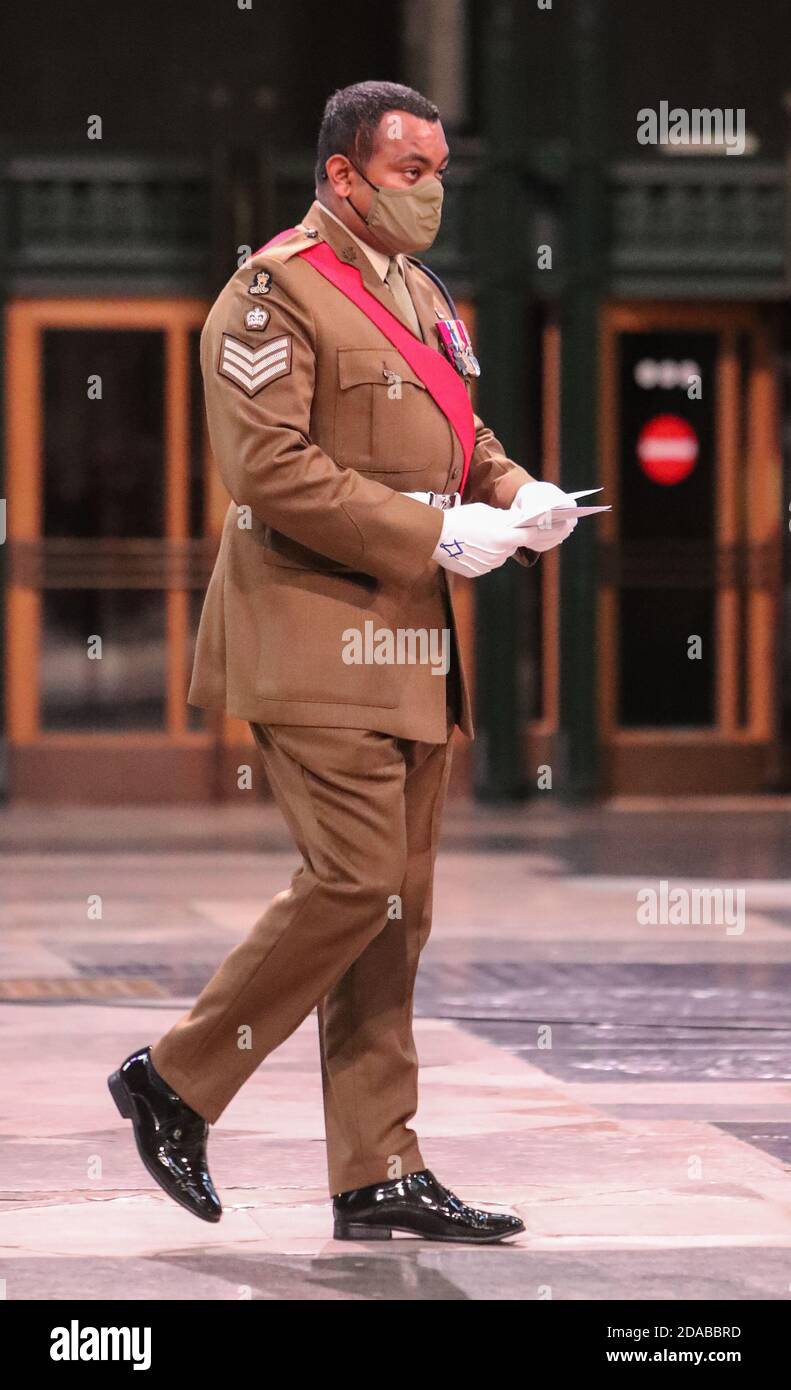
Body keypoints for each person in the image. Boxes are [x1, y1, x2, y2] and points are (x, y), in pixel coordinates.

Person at [107, 80, 577, 1243]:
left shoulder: (414, 291)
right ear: (342, 176)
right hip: (311, 631)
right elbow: (270, 471)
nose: (428, 192)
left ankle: (377, 1167)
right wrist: (433, 532)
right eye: (406, 171)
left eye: (437, 172)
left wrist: (518, 493)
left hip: (409, 644)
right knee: (358, 880)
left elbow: (461, 439)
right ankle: (175, 1077)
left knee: (396, 912)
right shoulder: (272, 295)